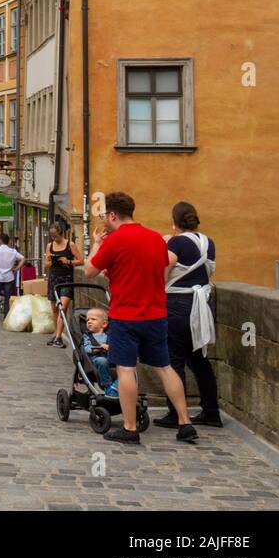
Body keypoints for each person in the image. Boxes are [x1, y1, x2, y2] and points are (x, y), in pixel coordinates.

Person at [84, 191, 197, 445]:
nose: (103, 220)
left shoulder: (115, 240)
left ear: (113, 215)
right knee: (165, 368)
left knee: (126, 368)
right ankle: (185, 423)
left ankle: (130, 427)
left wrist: (98, 244)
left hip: (126, 315)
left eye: (105, 216)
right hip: (156, 314)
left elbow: (89, 270)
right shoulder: (156, 239)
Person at [159, 201, 221, 428]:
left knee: (173, 359)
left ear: (174, 222)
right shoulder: (208, 242)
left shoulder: (177, 242)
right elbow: (209, 270)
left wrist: (164, 244)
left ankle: (176, 413)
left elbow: (162, 269)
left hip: (177, 304)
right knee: (199, 360)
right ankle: (211, 411)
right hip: (202, 305)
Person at [45, 222, 83, 348]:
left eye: (56, 236)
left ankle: (58, 337)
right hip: (53, 278)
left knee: (62, 307)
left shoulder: (70, 244)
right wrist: (52, 261)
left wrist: (68, 261)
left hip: (66, 279)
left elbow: (80, 260)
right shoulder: (49, 246)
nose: (54, 239)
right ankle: (56, 334)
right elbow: (46, 264)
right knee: (54, 309)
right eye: (52, 236)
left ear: (61, 234)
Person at [82, 307, 118, 398]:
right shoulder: (87, 336)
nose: (89, 321)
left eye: (93, 319)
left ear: (104, 324)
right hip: (95, 359)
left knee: (125, 363)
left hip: (110, 358)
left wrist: (110, 347)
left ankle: (119, 383)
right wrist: (99, 347)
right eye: (87, 320)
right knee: (102, 361)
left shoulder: (109, 335)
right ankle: (107, 386)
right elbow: (87, 349)